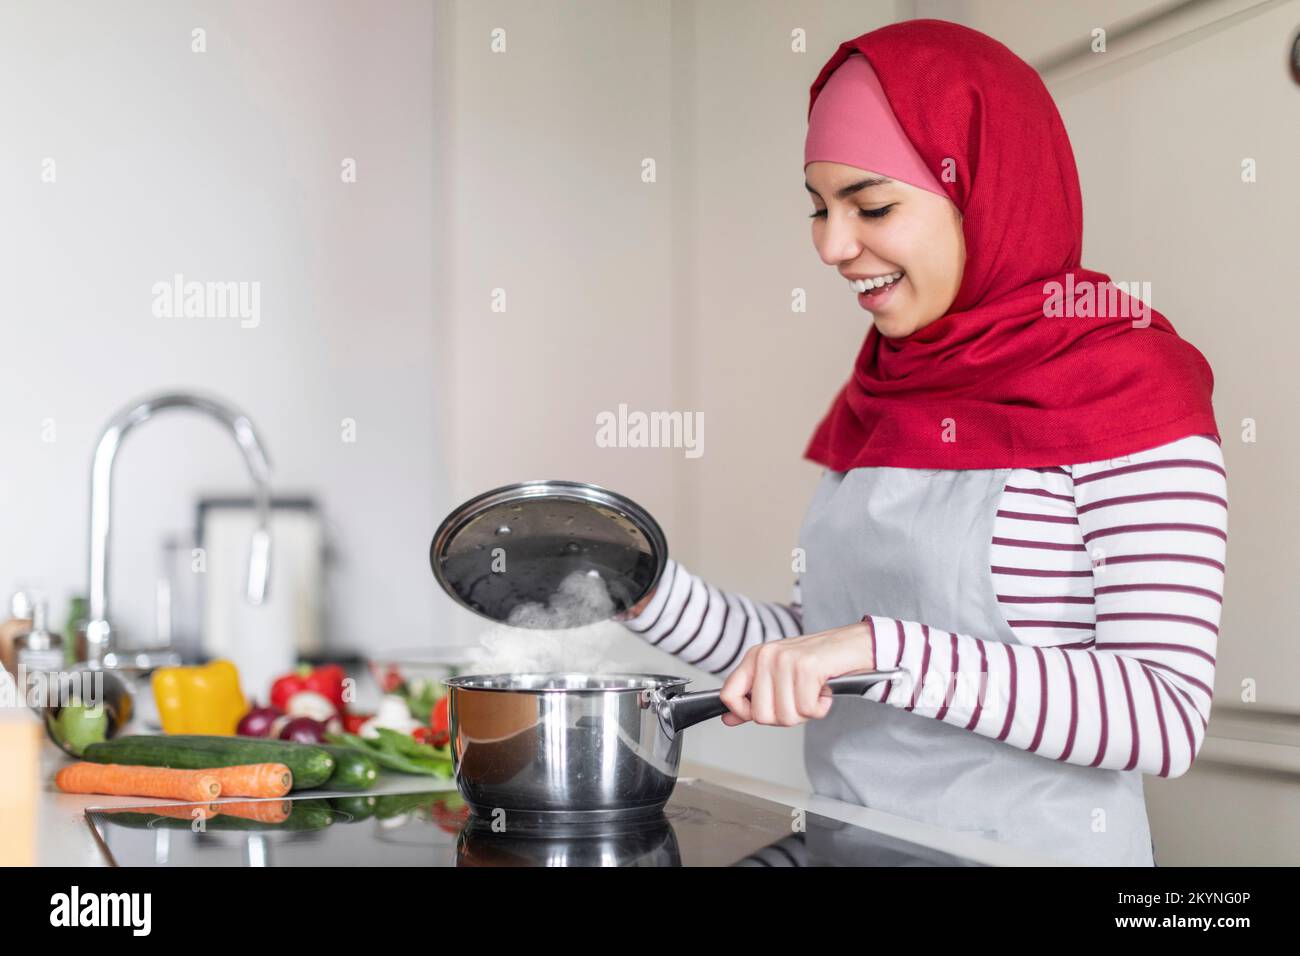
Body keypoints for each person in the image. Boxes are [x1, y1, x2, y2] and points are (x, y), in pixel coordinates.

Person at [618, 19, 1226, 867]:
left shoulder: (1128, 382)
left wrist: (880, 646)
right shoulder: (886, 386)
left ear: (985, 187)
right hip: (852, 848)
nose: (832, 246)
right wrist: (638, 584)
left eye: (871, 205)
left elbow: (1162, 716)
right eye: (819, 207)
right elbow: (812, 647)